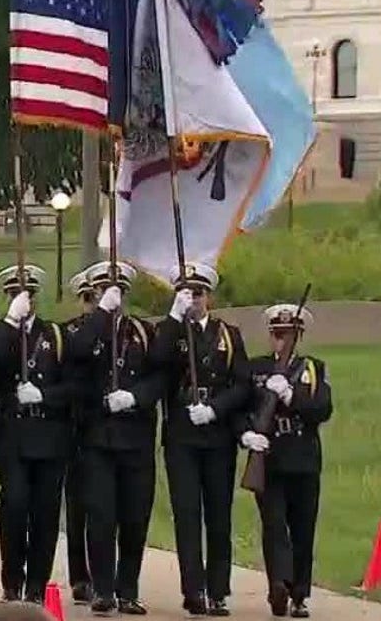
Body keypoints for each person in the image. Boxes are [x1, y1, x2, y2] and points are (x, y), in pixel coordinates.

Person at [151, 262, 251, 617]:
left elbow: (242, 383)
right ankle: (193, 590)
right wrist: (174, 317)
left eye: (198, 293)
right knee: (187, 513)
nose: (193, 299)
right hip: (181, 434)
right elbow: (157, 360)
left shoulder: (228, 334)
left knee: (218, 514)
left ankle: (218, 590)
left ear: (209, 296)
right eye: (187, 293)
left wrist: (217, 408)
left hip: (217, 433)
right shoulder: (172, 331)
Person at [0, 263, 75, 604]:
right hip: (12, 433)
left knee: (46, 510)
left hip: (50, 432)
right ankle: (11, 580)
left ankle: (37, 584)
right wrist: (10, 324)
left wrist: (46, 396)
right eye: (14, 293)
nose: (23, 299)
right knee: (15, 503)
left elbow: (77, 386)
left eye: (28, 294)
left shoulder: (56, 336)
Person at [69, 261, 157, 615]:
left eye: (117, 289)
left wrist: (136, 396)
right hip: (97, 438)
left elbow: (162, 372)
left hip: (136, 436)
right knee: (101, 515)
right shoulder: (84, 330)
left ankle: (128, 588)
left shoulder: (142, 332)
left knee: (135, 516)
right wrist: (102, 316)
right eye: (105, 289)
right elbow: (76, 354)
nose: (113, 295)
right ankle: (103, 588)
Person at [244, 304, 332, 618]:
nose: (282, 341)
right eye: (277, 334)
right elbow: (242, 407)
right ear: (270, 336)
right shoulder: (256, 369)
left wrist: (293, 398)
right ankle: (278, 585)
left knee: (303, 527)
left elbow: (322, 408)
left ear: (299, 336)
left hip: (304, 455)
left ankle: (299, 594)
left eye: (289, 335)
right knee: (274, 525)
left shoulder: (313, 368)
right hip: (270, 456)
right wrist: (248, 434)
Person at [63, 269, 97, 605]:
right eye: (88, 299)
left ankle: (105, 572)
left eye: (96, 298)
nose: (92, 306)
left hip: (106, 426)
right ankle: (80, 575)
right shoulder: (70, 331)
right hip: (76, 426)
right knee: (78, 507)